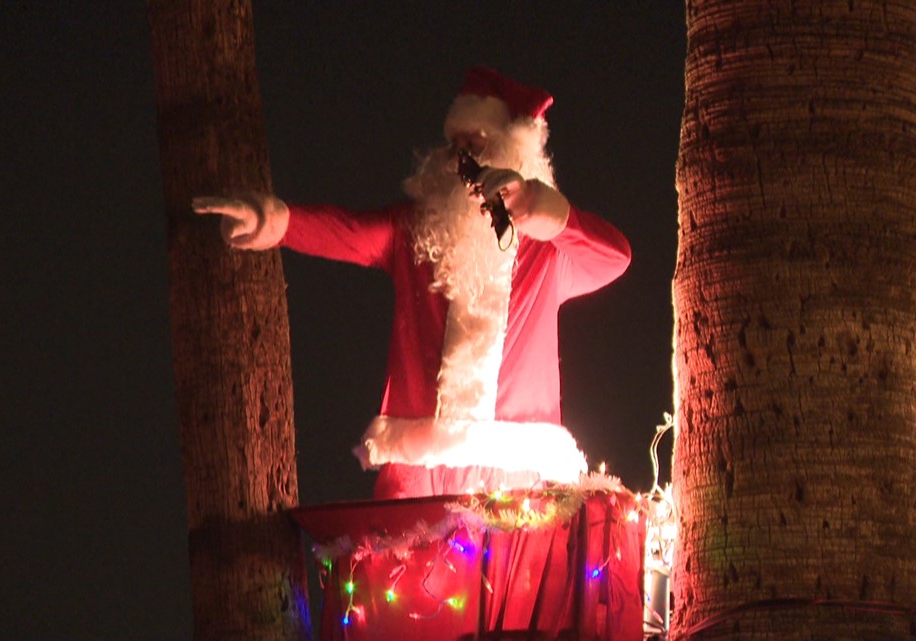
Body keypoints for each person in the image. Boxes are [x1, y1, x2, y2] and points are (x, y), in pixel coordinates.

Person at [193, 68, 630, 499]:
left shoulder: (548, 253)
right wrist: (278, 221)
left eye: (473, 145)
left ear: (509, 153)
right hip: (417, 480)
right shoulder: (416, 232)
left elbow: (613, 258)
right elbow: (347, 231)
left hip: (516, 485)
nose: (459, 160)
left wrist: (550, 213)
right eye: (454, 145)